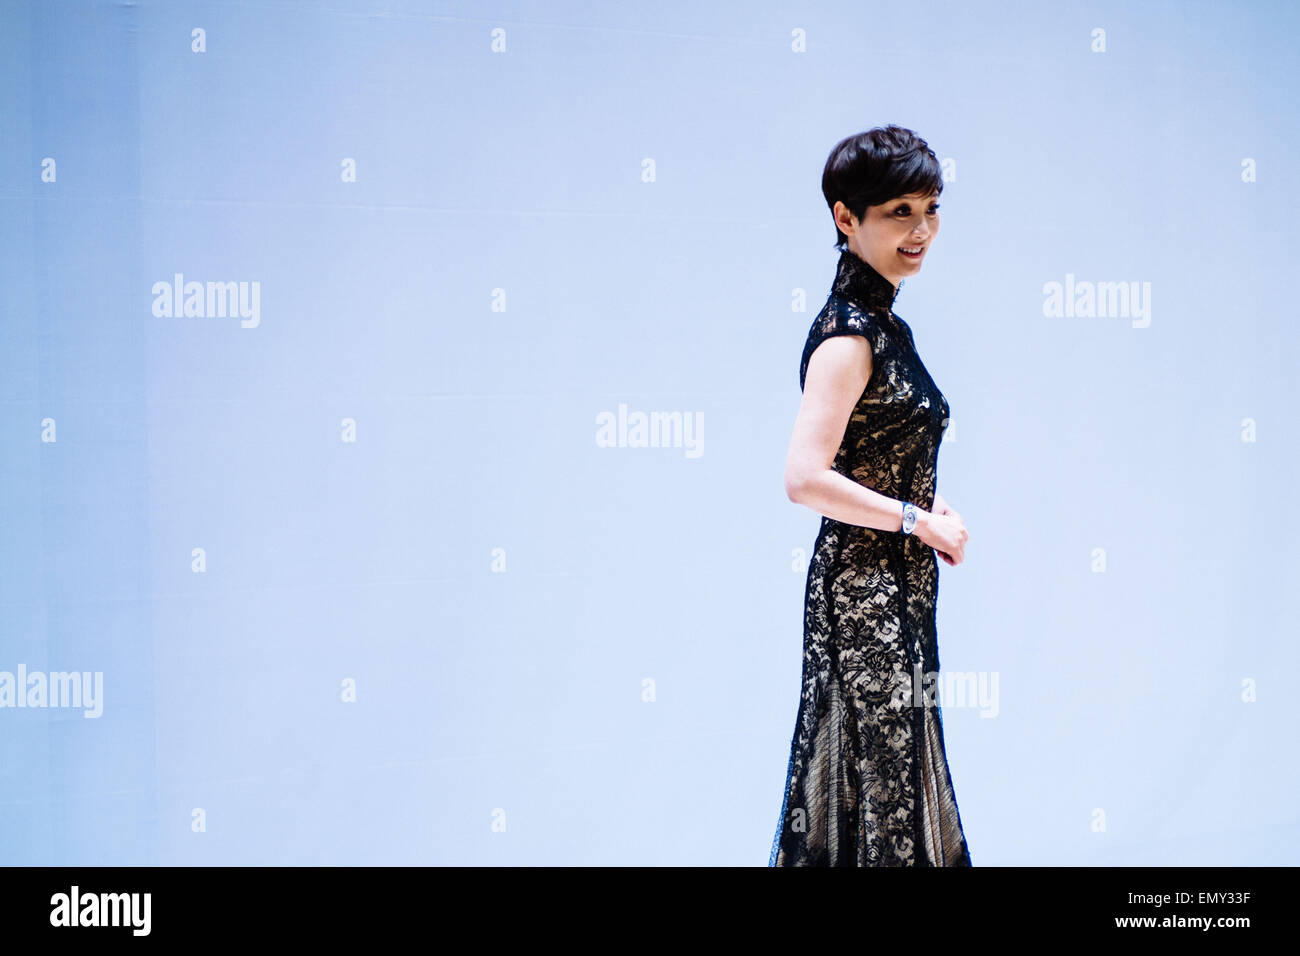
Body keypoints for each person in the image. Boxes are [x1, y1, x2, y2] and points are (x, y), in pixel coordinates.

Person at [768, 125, 973, 866]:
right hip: (863, 596)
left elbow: (874, 456)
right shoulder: (848, 337)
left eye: (932, 207)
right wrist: (916, 520)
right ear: (845, 218)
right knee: (883, 794)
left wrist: (926, 507)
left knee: (891, 785)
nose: (921, 231)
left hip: (898, 590)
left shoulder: (888, 324)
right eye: (898, 212)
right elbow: (804, 478)